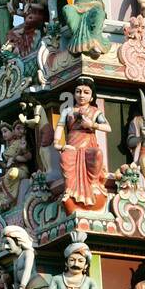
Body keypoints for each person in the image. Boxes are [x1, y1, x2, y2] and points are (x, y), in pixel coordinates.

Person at [54, 76, 110, 210]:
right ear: (74, 94)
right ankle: (69, 190)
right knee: (65, 157)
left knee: (97, 154)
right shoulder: (68, 111)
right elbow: (60, 127)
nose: (81, 95)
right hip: (73, 144)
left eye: (86, 92)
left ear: (91, 97)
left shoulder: (95, 112)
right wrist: (57, 143)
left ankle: (94, 183)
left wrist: (92, 124)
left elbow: (108, 127)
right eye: (78, 91)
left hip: (89, 145)